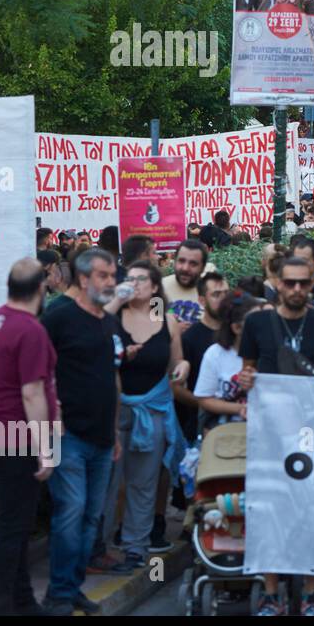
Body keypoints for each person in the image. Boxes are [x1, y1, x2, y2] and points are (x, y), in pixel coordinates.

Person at [237, 256, 314, 616]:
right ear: (278, 284)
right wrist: (246, 382)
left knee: (312, 510)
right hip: (269, 432)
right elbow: (247, 371)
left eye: (304, 283)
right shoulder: (256, 324)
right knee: (270, 509)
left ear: (312, 284)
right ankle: (272, 592)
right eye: (290, 283)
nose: (297, 289)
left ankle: (312, 590)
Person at [0, 259, 60, 616]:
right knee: (12, 526)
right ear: (41, 288)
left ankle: (22, 600)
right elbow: (31, 393)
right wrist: (44, 449)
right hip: (17, 438)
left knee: (16, 521)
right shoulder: (31, 330)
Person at [40, 248, 122, 616]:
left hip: (103, 437)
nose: (111, 282)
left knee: (90, 516)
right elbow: (38, 373)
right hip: (67, 435)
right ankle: (58, 594)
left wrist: (116, 430)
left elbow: (110, 377)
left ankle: (70, 589)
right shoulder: (57, 316)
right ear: (84, 278)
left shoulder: (104, 317)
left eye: (112, 275)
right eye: (104, 276)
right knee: (70, 512)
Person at [108, 260, 188, 573]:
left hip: (151, 410)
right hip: (113, 411)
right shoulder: (112, 316)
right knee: (109, 483)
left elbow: (176, 361)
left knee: (143, 483)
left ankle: (135, 549)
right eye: (129, 279)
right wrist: (118, 296)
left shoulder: (162, 318)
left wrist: (183, 369)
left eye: (142, 280)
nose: (134, 284)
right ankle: (97, 547)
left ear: (155, 287)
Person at [193, 294, 263, 426]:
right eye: (255, 322)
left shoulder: (269, 352)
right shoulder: (215, 354)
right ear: (237, 328)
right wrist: (240, 408)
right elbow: (204, 398)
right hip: (226, 430)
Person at [162, 239, 209, 327]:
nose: (185, 268)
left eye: (193, 264)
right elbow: (153, 325)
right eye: (181, 261)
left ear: (203, 267)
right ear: (175, 261)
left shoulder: (212, 292)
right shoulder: (159, 288)